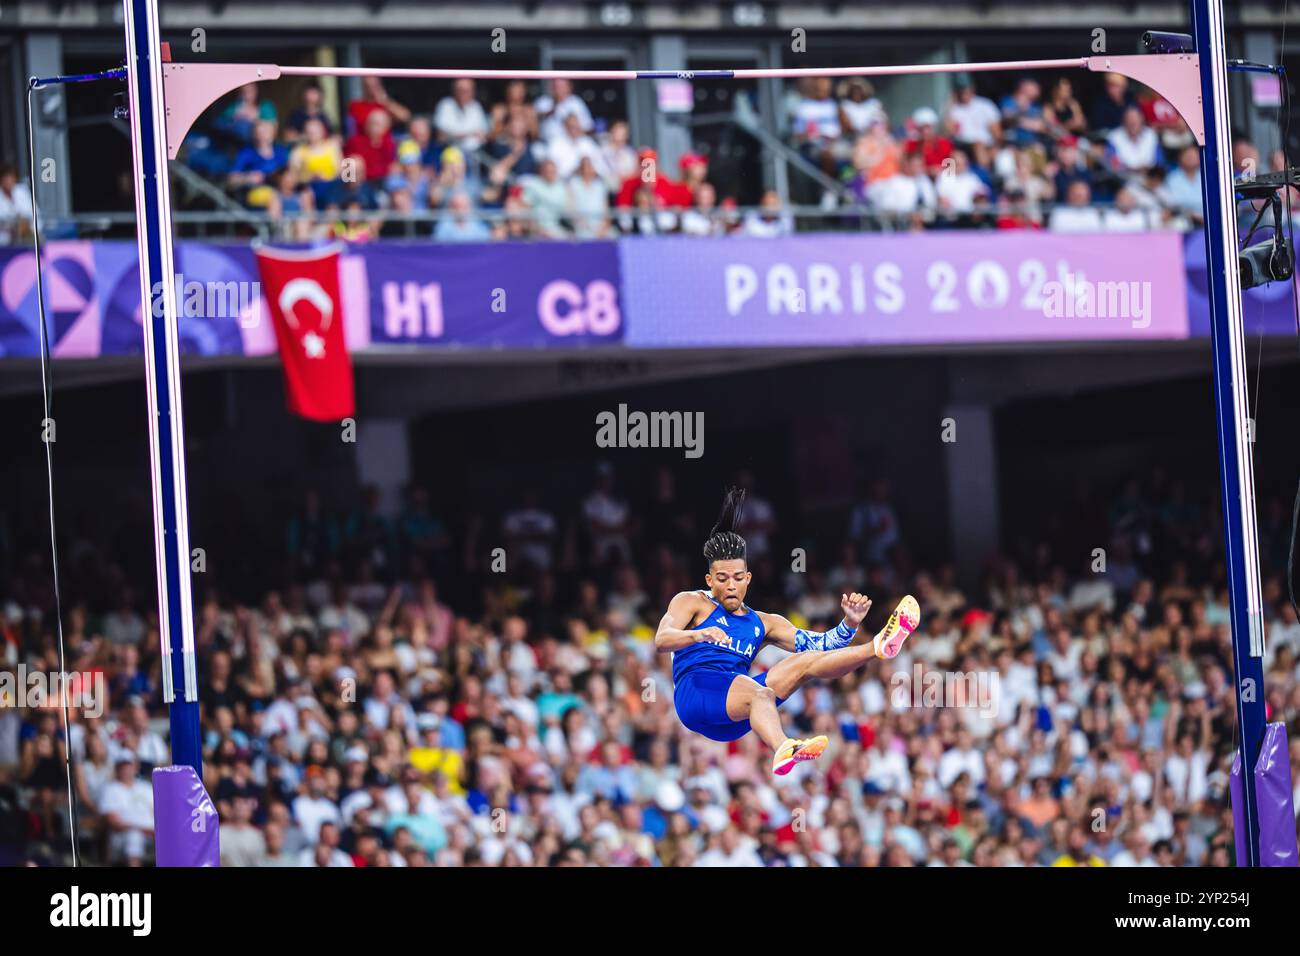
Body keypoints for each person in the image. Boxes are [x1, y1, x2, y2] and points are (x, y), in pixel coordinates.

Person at [654, 488, 920, 775]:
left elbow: (822, 645)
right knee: (761, 694)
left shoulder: (763, 622)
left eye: (738, 578)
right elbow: (662, 640)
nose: (731, 585)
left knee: (803, 663)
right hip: (695, 695)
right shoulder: (691, 602)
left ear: (748, 579)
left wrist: (850, 625)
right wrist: (697, 635)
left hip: (733, 714)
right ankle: (784, 748)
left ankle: (878, 646)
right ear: (709, 579)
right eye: (722, 578)